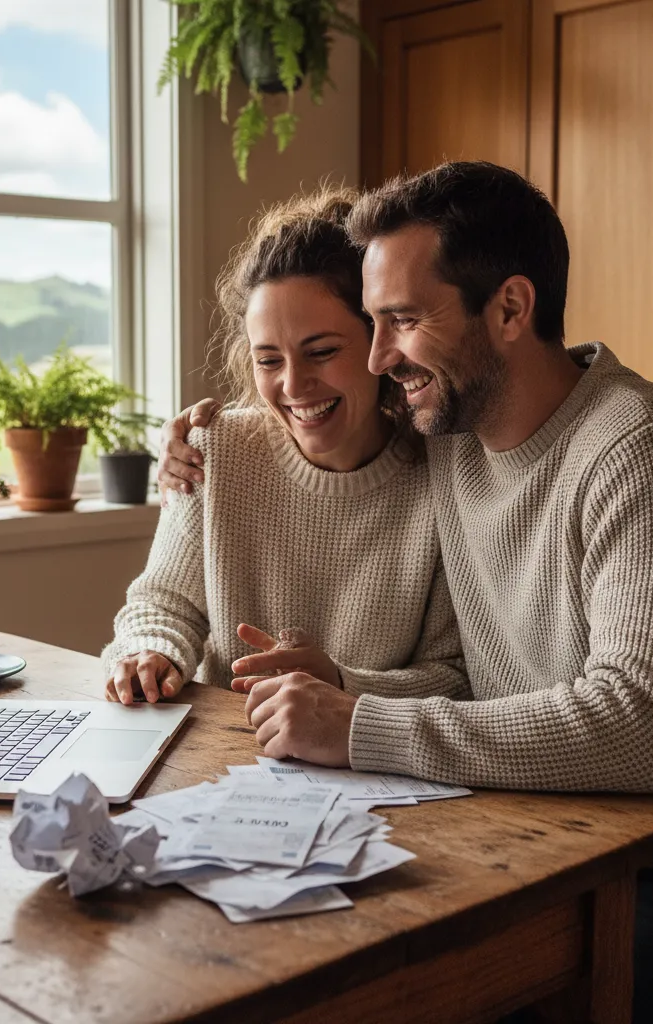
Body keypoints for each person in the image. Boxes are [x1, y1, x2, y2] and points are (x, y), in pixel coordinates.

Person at [158, 161, 653, 1022]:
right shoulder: (453, 438)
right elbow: (315, 422)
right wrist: (196, 447)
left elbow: (643, 731)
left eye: (399, 320)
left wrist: (360, 722)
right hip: (530, 836)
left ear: (510, 308)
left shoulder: (646, 450)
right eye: (371, 322)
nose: (376, 354)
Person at [100, 188, 466, 713]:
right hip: (226, 749)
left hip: (374, 762)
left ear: (379, 343)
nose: (294, 385)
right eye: (268, 360)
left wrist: (340, 683)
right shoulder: (213, 449)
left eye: (322, 352)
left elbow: (453, 676)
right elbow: (162, 604)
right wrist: (150, 653)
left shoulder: (444, 474)